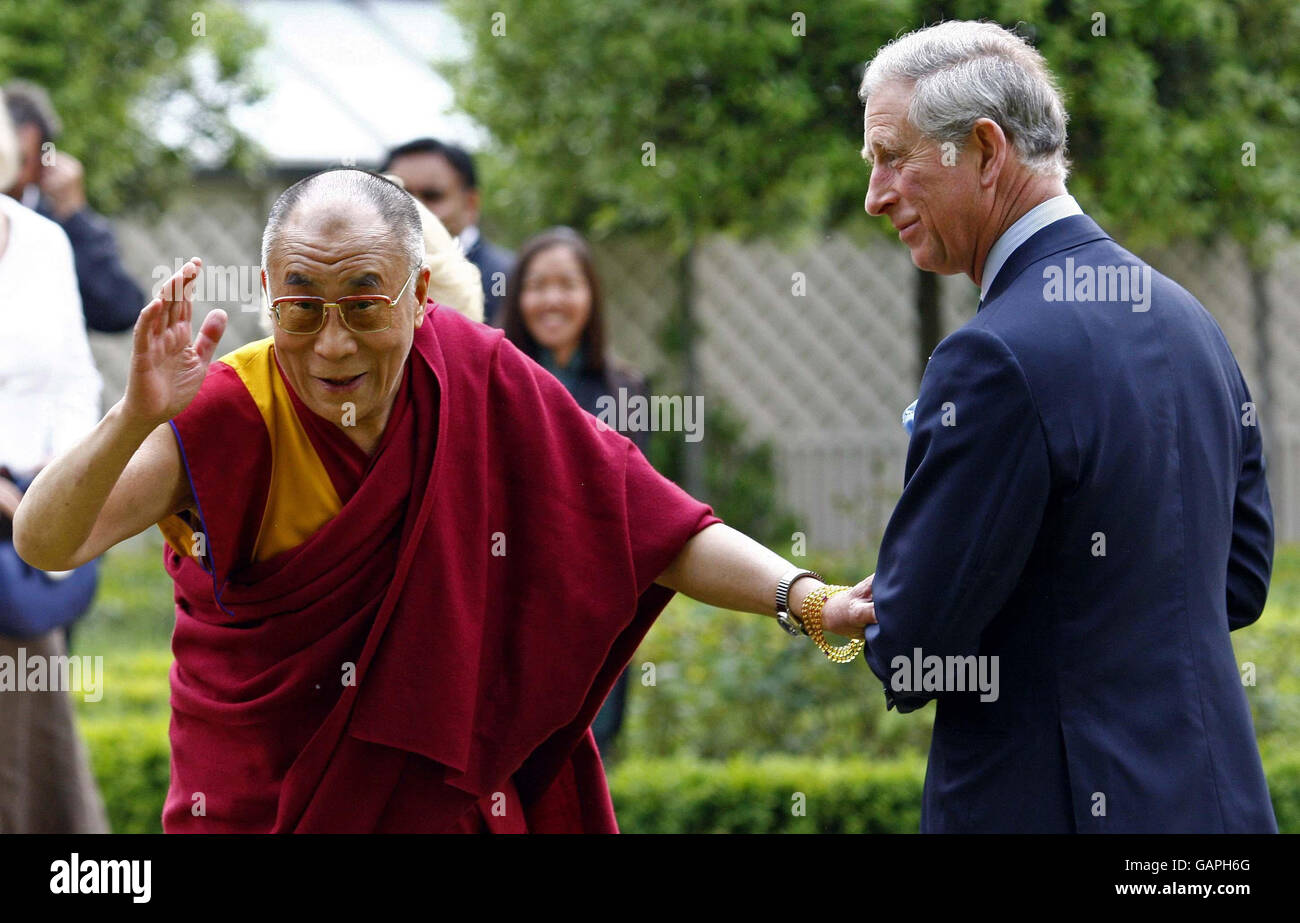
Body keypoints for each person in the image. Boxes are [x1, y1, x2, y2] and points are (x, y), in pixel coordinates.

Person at [14, 168, 869, 833]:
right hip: (263, 806)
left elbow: (651, 522)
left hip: (439, 806)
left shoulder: (475, 375)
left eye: (363, 304)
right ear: (268, 296)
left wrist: (804, 598)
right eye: (302, 309)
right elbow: (46, 543)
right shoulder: (231, 411)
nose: (332, 343)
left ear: (422, 296)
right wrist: (132, 416)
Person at [844, 21, 1275, 832]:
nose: (875, 194)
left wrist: (855, 613)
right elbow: (1240, 578)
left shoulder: (991, 357)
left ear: (983, 148)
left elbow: (911, 648)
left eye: (891, 156)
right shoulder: (1190, 322)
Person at [500, 227, 650, 755]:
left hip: (594, 604)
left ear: (591, 295)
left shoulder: (625, 389)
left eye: (568, 284)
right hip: (508, 601)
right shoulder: (495, 377)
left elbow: (638, 502)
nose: (552, 299)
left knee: (588, 751)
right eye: (538, 285)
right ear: (518, 298)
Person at [0, 105, 109, 834]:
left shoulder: (42, 242)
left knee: (28, 767)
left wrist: (53, 484)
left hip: (26, 534)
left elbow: (76, 376)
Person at [3, 81, 143, 333]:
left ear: (44, 162)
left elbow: (119, 311)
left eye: (21, 159)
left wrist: (73, 215)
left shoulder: (59, 226)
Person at [382, 138, 513, 326]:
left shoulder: (508, 279)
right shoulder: (359, 279)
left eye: (432, 196)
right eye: (400, 194)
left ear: (470, 205)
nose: (414, 208)